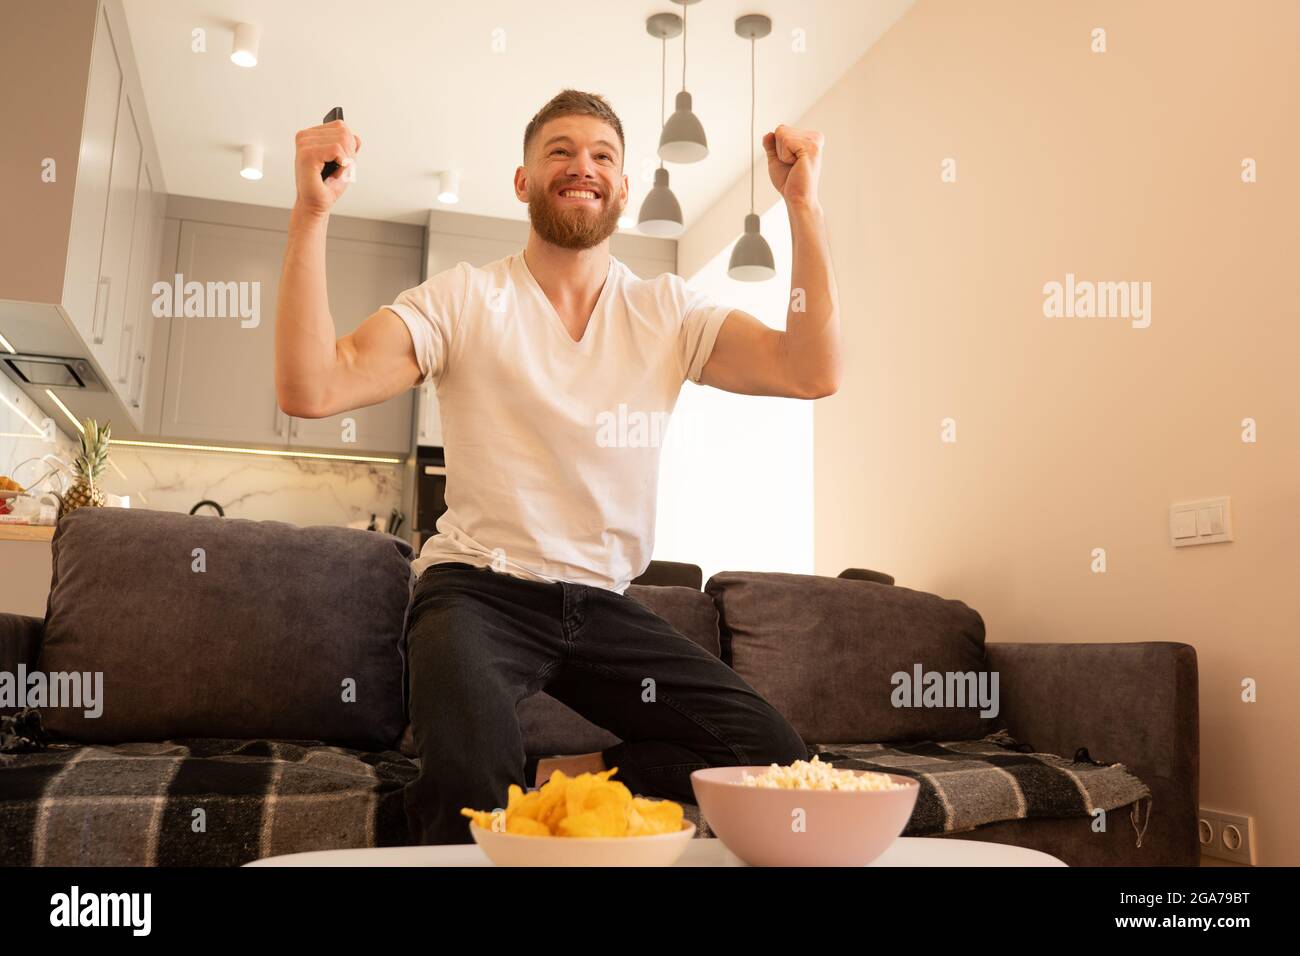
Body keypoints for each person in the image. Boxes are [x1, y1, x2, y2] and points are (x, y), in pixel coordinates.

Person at [275, 89, 842, 845]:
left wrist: (802, 206)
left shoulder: (667, 311)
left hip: (602, 604)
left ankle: (563, 778)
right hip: (478, 593)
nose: (583, 167)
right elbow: (314, 386)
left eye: (603, 155)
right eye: (561, 152)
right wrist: (312, 212)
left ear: (624, 188)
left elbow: (810, 369)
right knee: (472, 787)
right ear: (523, 181)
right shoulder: (465, 299)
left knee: (774, 756)